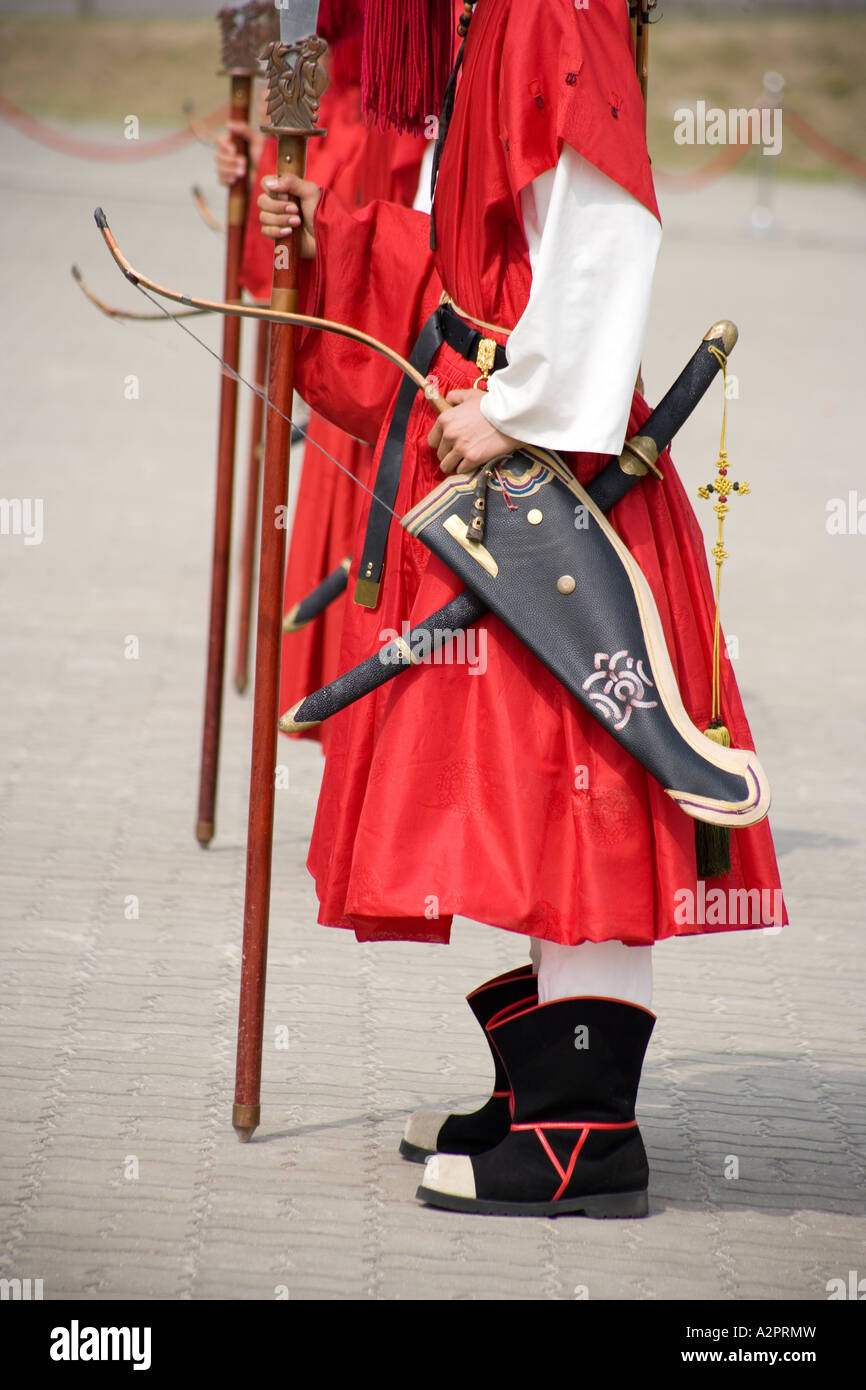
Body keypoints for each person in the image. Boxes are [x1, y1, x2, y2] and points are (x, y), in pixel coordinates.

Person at [256, 0, 786, 1216]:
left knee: (585, 784)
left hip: (554, 474)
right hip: (506, 450)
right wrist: (325, 239)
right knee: (536, 793)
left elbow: (604, 228)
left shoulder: (548, 7)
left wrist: (527, 409)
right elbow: (462, 253)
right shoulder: (487, 22)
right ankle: (537, 1090)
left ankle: (585, 1134)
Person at [215, 29, 428, 751]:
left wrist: (339, 236)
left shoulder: (427, 73)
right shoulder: (346, 76)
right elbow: (315, 211)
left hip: (421, 356)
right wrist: (261, 184)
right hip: (369, 349)